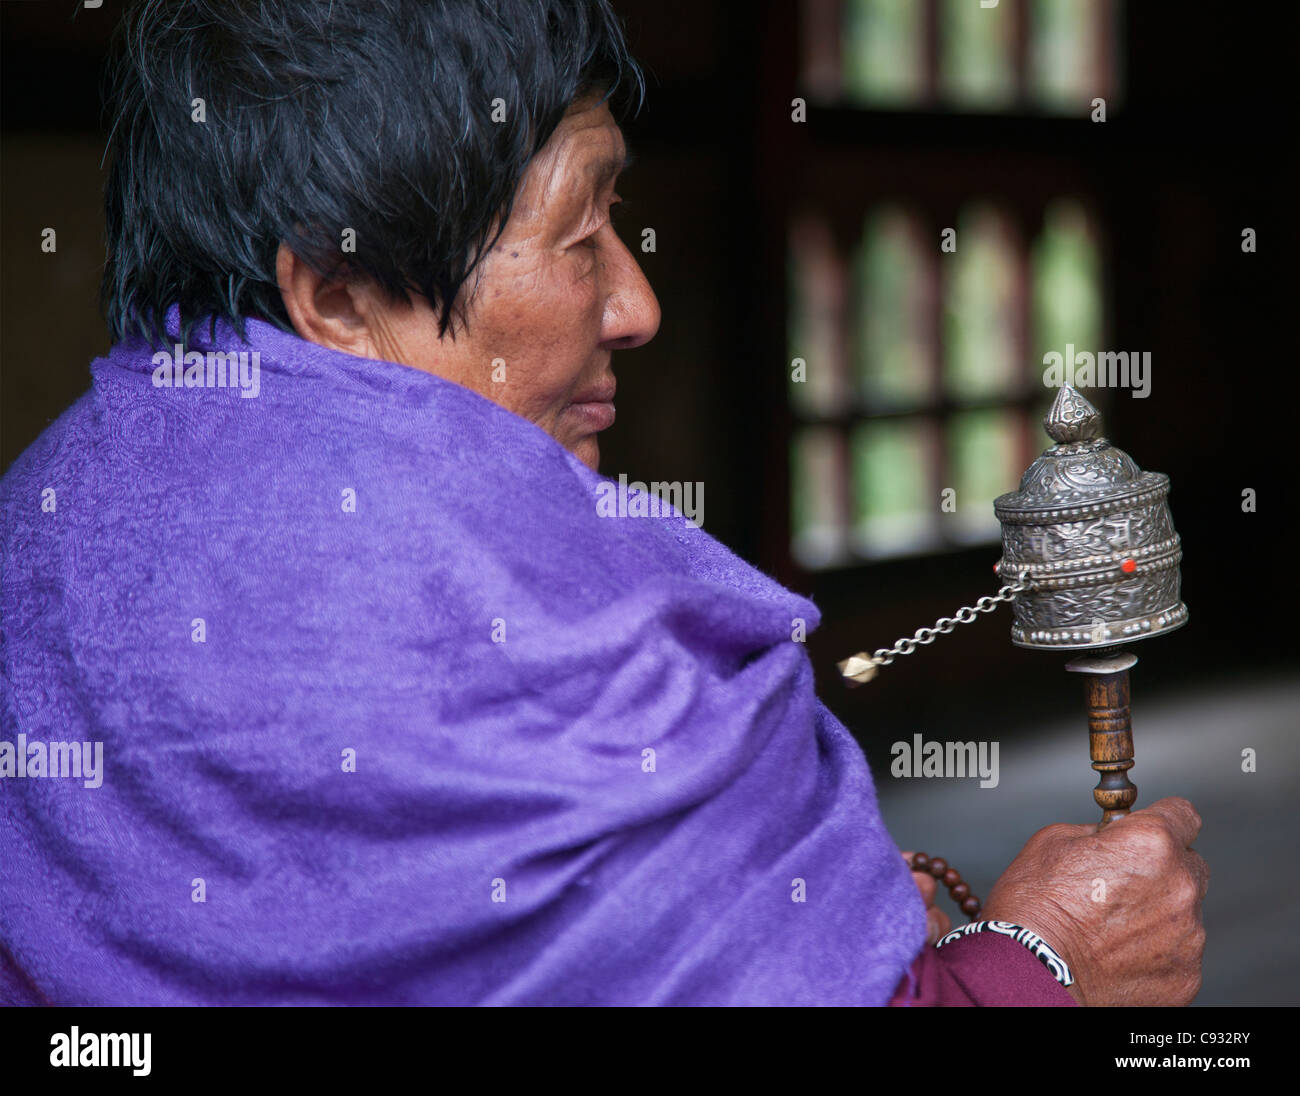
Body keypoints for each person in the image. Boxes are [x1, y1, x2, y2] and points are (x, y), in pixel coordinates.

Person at [0, 0, 1206, 1006]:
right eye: (581, 232)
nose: (635, 306)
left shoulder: (45, 509)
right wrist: (1045, 960)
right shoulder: (538, 614)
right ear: (337, 295)